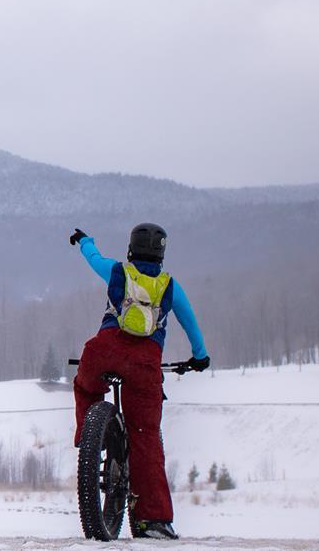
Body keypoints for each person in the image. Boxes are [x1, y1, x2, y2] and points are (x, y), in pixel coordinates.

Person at [69, 224, 211, 540]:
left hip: (104, 349)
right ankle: (153, 521)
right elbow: (191, 325)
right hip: (145, 362)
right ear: (161, 253)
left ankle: (90, 439)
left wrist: (84, 241)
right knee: (145, 437)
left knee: (86, 385)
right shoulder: (169, 286)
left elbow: (94, 259)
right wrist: (200, 358)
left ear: (131, 249)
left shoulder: (118, 271)